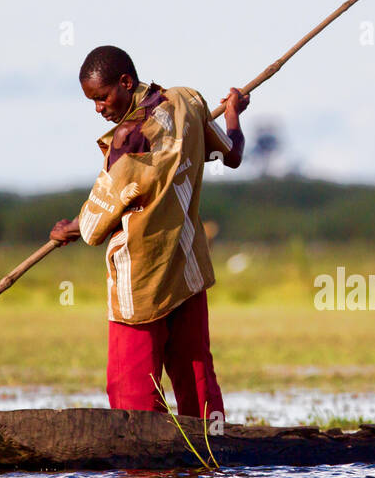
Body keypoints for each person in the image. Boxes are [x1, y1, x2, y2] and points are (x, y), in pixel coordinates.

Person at [49, 45, 247, 421]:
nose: (98, 108)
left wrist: (68, 228)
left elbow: (92, 228)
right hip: (187, 271)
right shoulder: (188, 102)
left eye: (102, 97)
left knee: (133, 399)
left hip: (139, 288)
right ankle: (210, 456)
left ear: (126, 82)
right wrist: (234, 112)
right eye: (91, 101)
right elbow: (231, 154)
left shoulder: (127, 144)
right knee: (199, 385)